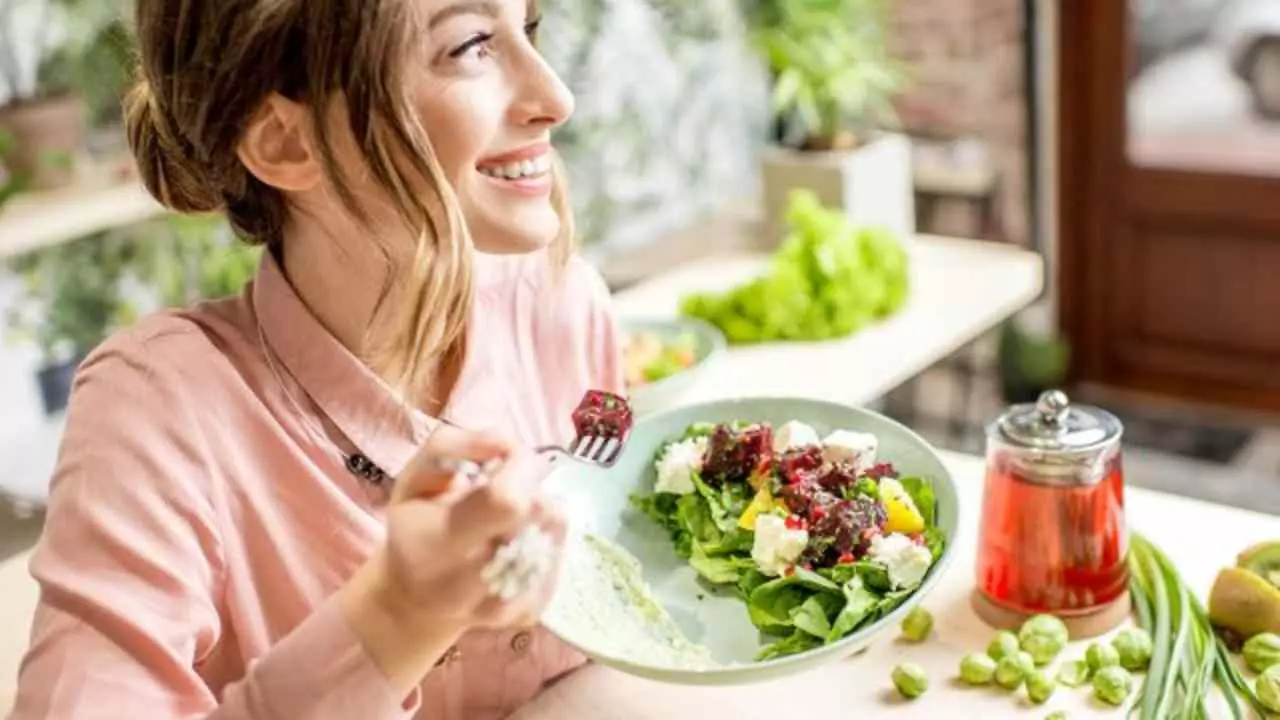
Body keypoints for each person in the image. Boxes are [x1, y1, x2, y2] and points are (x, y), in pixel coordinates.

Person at [6, 0, 624, 717]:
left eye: (531, 28)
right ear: (284, 143)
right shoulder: (158, 411)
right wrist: (397, 616)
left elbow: (613, 514)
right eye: (472, 45)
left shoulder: (567, 306)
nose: (557, 98)